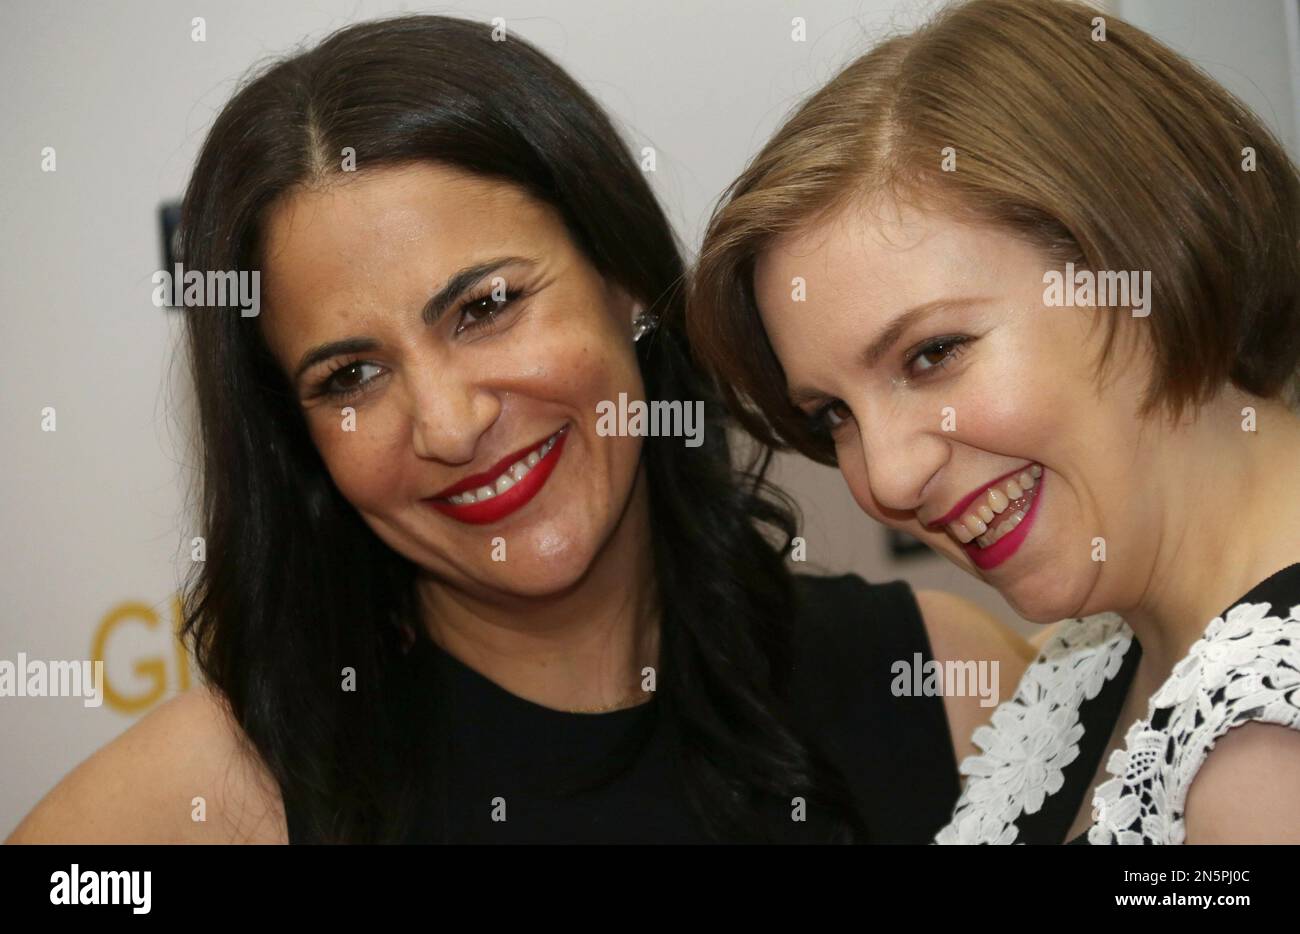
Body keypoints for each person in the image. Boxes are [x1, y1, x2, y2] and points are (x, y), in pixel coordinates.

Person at [7, 14, 1028, 845]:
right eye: (350, 375)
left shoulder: (944, 687)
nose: (448, 424)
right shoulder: (203, 807)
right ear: (297, 435)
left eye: (486, 306)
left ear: (625, 278)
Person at [687, 0, 1300, 844]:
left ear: (1144, 254)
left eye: (933, 353)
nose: (887, 479)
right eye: (833, 414)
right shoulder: (1103, 654)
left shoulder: (1265, 759)